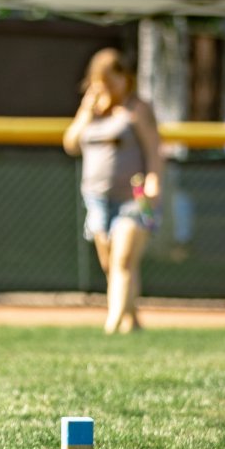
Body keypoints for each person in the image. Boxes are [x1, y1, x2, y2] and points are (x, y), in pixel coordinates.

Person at [63, 47, 164, 334]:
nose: (106, 86)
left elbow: (154, 150)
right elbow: (70, 144)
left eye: (112, 80)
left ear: (125, 78)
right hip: (97, 198)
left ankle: (113, 324)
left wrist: (153, 181)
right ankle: (132, 320)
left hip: (135, 197)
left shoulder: (136, 109)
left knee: (123, 260)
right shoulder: (92, 112)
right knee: (111, 264)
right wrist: (85, 110)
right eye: (100, 81)